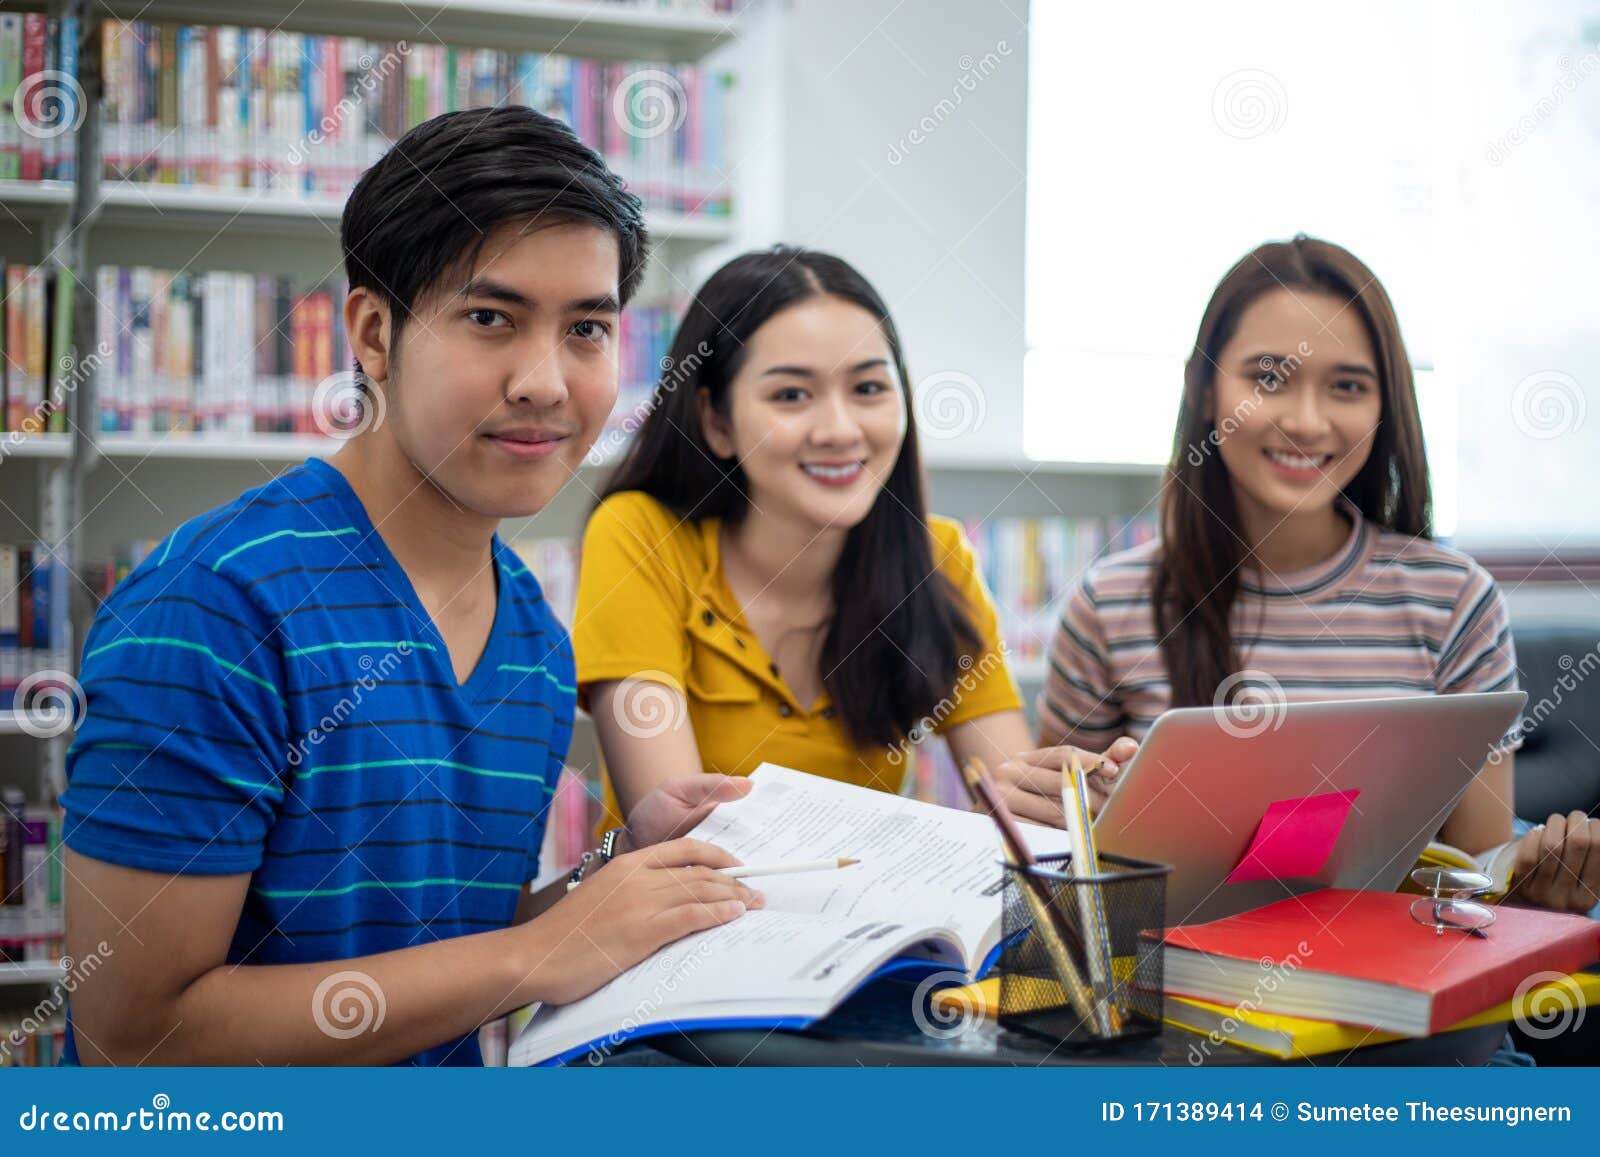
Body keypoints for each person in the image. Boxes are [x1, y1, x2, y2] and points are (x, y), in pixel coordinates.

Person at [59, 106, 760, 1067]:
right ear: (375, 333)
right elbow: (132, 1040)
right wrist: (536, 952)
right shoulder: (214, 608)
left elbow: (441, 946)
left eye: (588, 328)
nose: (546, 382)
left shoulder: (533, 636)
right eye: (490, 319)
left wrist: (616, 876)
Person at [1036, 234, 1599, 915]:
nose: (1306, 420)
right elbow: (1059, 873)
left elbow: (1480, 873)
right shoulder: (1110, 602)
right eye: (1268, 377)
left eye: (1347, 386)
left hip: (1395, 1000)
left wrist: (1538, 892)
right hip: (1174, 995)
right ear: (1206, 386)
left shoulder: (1453, 601)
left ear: (1384, 405)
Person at [572, 247, 1113, 832]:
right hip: (693, 917)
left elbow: (1011, 788)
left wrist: (1049, 802)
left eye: (869, 389)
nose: (840, 430)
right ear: (717, 420)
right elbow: (674, 833)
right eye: (791, 396)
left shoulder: (937, 558)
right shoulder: (640, 534)